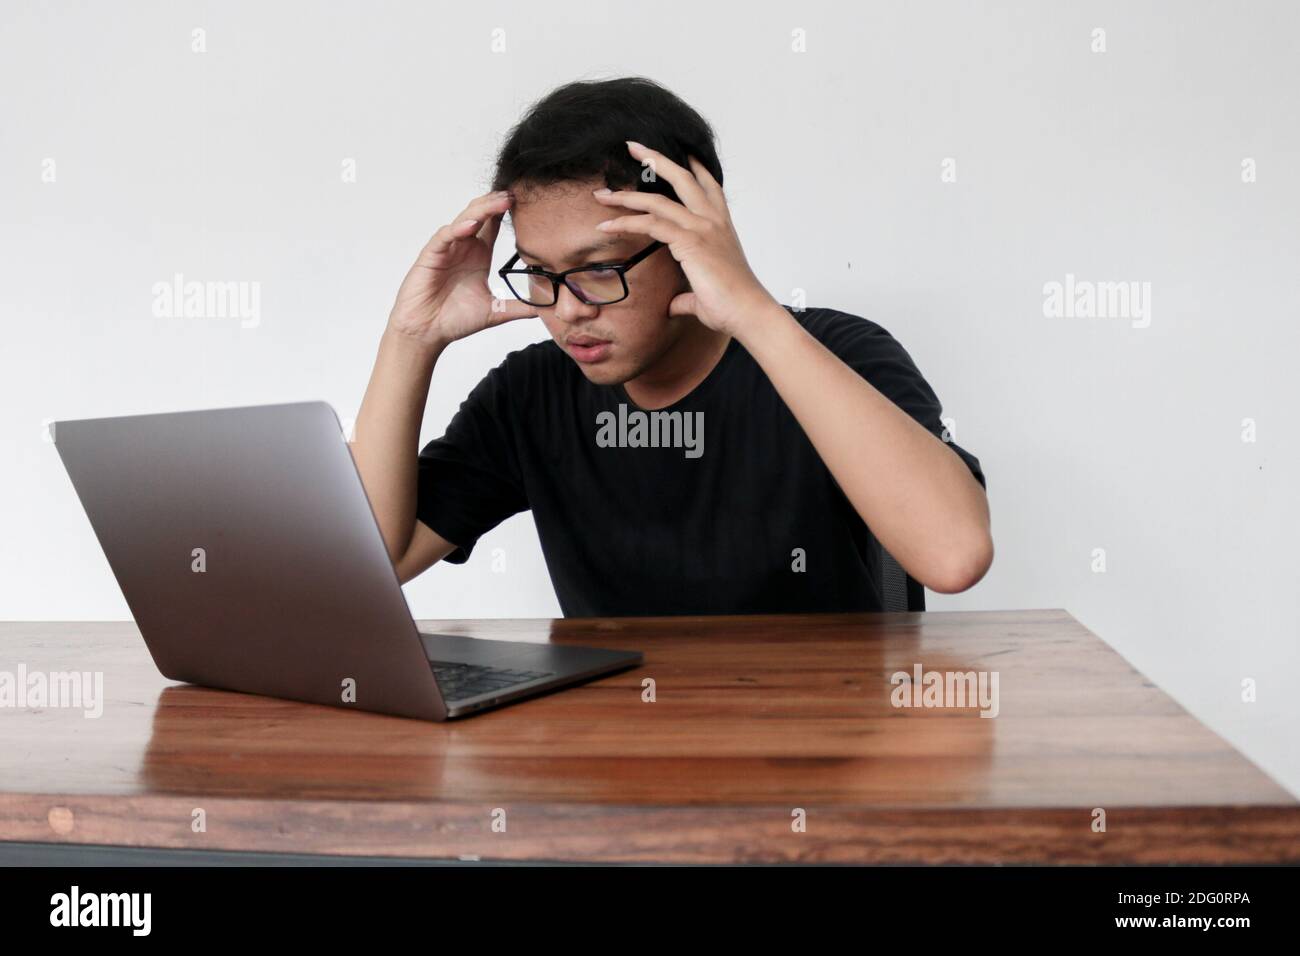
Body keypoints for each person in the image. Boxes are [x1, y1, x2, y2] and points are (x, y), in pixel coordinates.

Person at [351, 76, 993, 617]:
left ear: (690, 242)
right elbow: (374, 565)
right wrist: (411, 338)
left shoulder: (833, 351)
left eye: (600, 267)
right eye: (542, 273)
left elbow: (954, 556)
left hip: (824, 745)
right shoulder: (530, 393)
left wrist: (752, 309)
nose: (569, 308)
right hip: (623, 753)